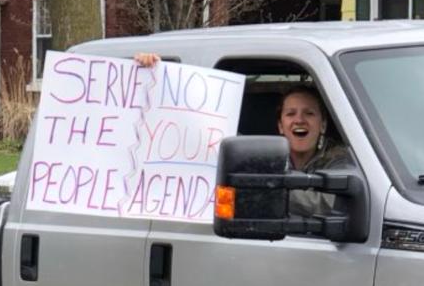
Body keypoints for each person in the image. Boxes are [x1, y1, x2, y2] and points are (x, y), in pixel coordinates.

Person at [133, 53, 352, 216]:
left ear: (323, 124)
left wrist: (267, 190)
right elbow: (212, 134)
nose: (299, 120)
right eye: (290, 114)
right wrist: (153, 72)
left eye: (309, 113)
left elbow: (332, 202)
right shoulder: (257, 156)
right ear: (280, 125)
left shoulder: (342, 159)